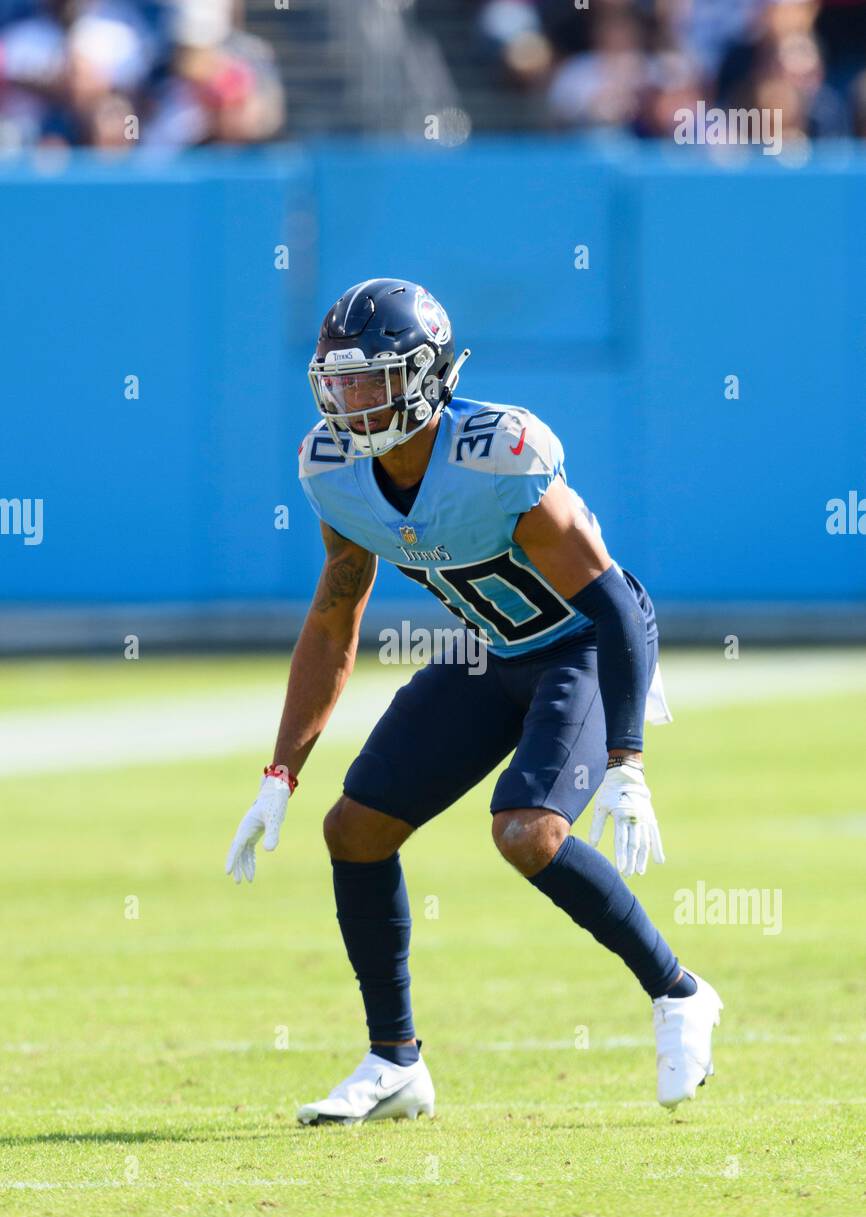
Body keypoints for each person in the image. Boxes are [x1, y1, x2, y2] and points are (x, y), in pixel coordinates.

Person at [225, 277, 723, 1124]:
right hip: (497, 650)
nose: (352, 400)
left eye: (372, 379)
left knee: (527, 832)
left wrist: (627, 762)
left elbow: (609, 604)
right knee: (355, 828)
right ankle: (395, 1063)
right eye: (338, 381)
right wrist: (281, 773)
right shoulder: (334, 469)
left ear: (426, 377)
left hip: (583, 643)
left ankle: (678, 992)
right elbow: (335, 616)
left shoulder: (497, 455)